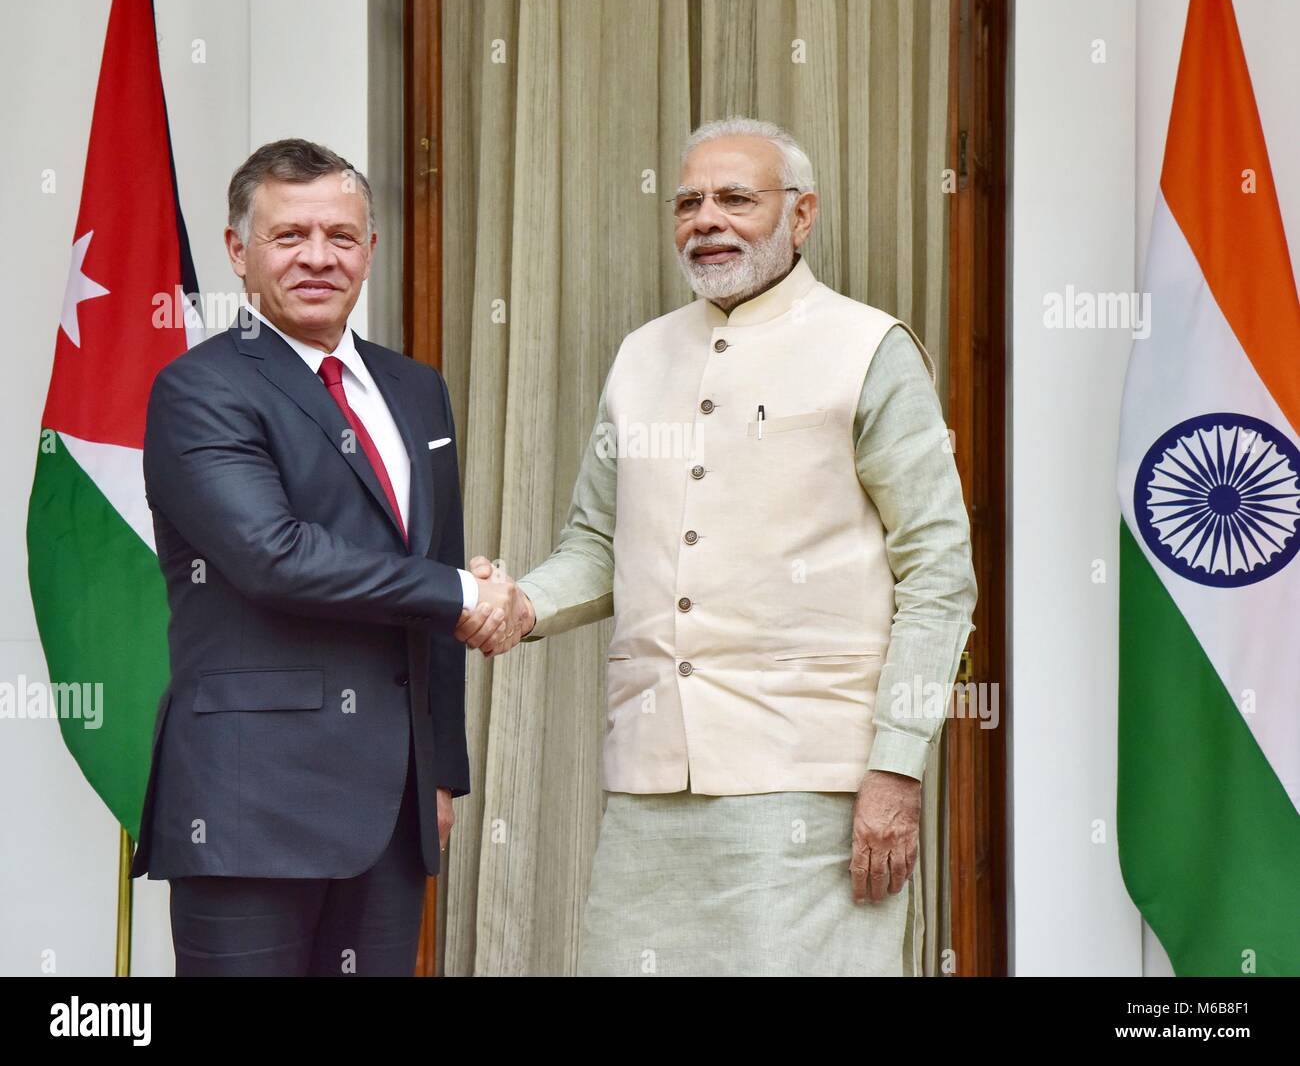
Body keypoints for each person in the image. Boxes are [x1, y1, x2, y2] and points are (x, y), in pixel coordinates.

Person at [475, 117, 976, 975]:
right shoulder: (640, 356)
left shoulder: (869, 349)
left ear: (803, 214)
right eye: (688, 202)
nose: (707, 219)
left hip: (812, 787)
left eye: (737, 198)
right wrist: (523, 605)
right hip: (649, 788)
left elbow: (939, 575)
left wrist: (897, 764)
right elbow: (599, 543)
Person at [132, 138, 520, 976]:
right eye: (289, 236)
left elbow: (437, 565)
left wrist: (440, 773)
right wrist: (461, 591)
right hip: (250, 810)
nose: (319, 257)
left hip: (393, 812)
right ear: (238, 251)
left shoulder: (416, 388)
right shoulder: (199, 390)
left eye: (342, 237)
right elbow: (275, 557)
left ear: (371, 251)